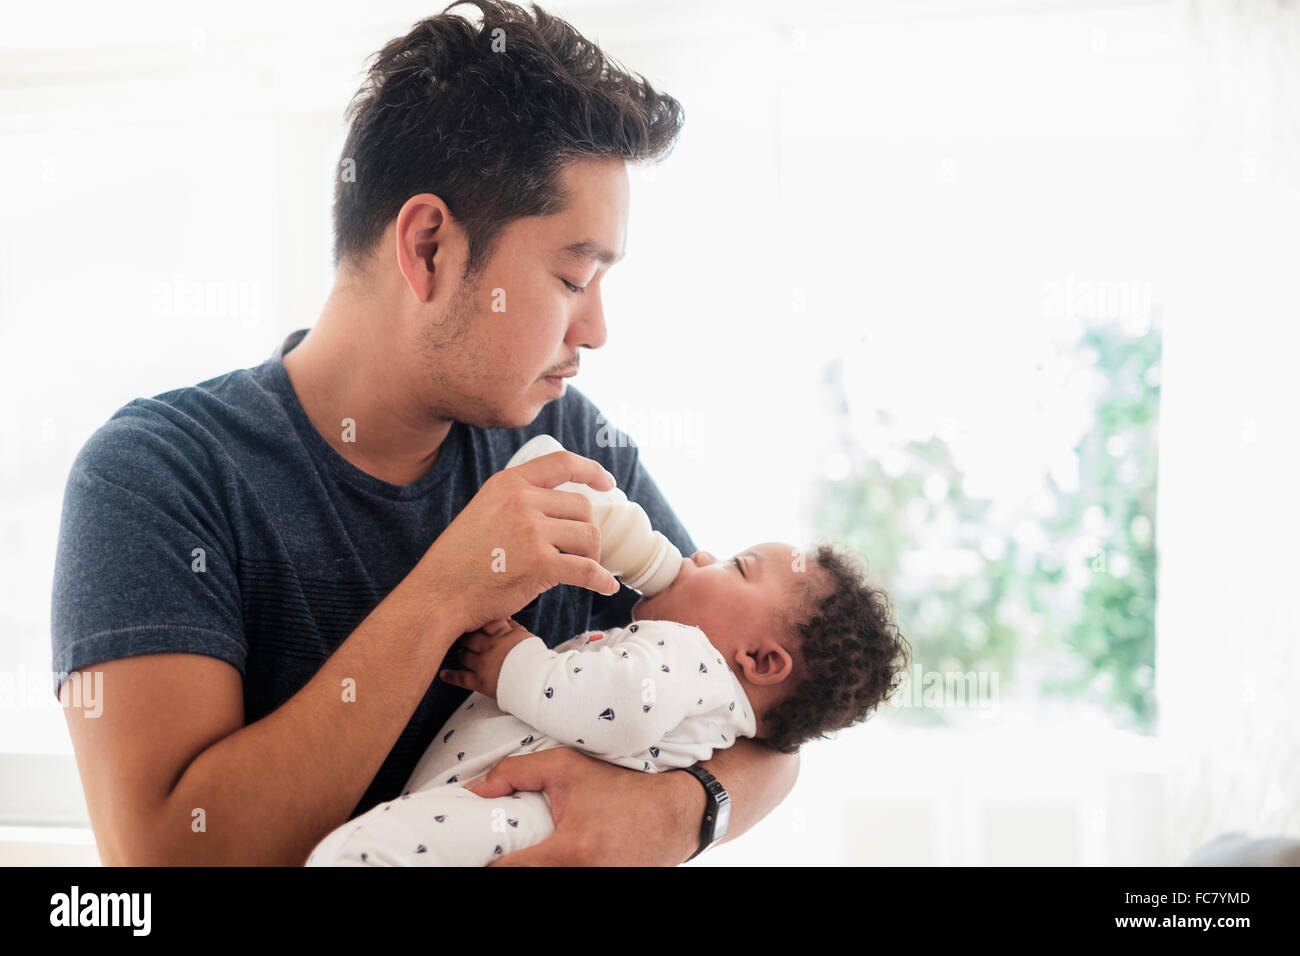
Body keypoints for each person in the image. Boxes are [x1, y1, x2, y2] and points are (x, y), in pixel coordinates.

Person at [51, 0, 801, 866]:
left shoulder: (570, 442)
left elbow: (771, 717)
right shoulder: (158, 476)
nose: (595, 331)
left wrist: (676, 814)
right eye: (572, 275)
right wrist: (445, 593)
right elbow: (164, 856)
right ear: (431, 247)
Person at [304, 541, 910, 866]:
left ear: (760, 661)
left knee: (359, 856)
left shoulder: (692, 656)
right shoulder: (717, 707)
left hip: (528, 818)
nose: (700, 557)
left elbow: (618, 704)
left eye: (736, 565)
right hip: (507, 815)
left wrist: (515, 665)